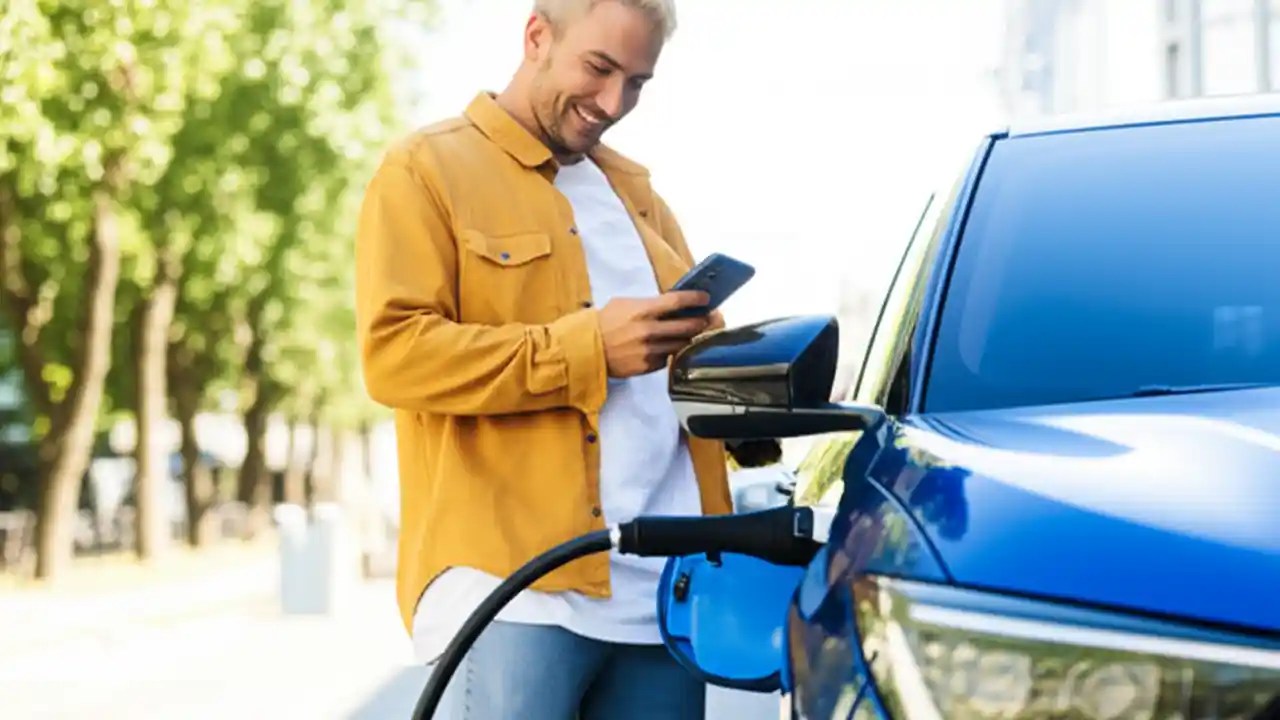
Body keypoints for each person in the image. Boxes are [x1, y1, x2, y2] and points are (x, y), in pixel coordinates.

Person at [354, 0, 765, 717]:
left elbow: (680, 386)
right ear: (537, 35)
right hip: (515, 592)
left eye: (636, 82)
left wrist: (753, 398)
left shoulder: (641, 198)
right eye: (599, 68)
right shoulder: (425, 170)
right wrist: (589, 348)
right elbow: (395, 356)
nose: (613, 103)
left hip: (659, 598)